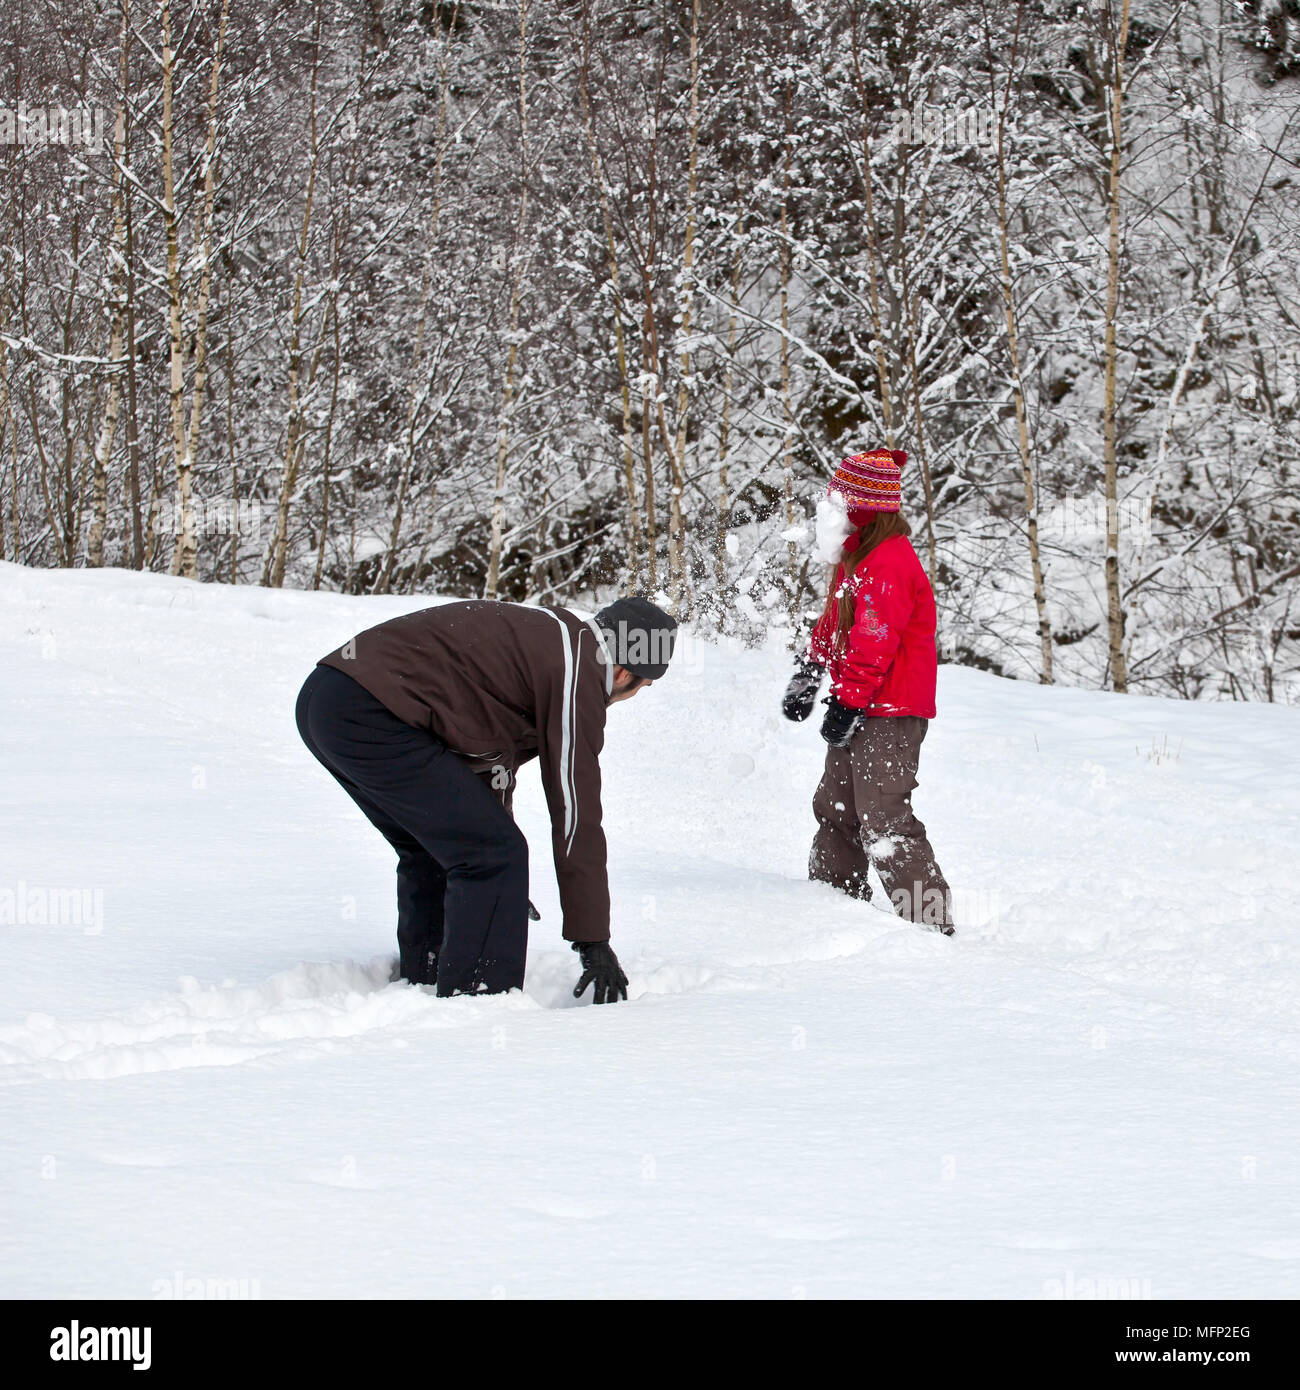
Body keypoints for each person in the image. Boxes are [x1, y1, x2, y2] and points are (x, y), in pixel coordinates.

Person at [295, 595, 677, 1001]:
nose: (634, 695)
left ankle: (423, 979)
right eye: (644, 685)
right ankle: (478, 1004)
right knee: (491, 855)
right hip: (372, 711)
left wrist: (498, 889)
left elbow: (486, 761)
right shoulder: (578, 668)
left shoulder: (552, 639)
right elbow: (575, 806)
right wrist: (591, 938)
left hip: (329, 699)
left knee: (440, 850)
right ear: (622, 671)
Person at [782, 449, 954, 934]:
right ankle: (831, 905)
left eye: (840, 499)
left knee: (883, 816)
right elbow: (836, 623)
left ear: (864, 506)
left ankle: (929, 923)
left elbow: (874, 641)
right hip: (860, 701)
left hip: (890, 710)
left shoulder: (890, 561)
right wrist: (810, 672)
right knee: (836, 806)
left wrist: (849, 699)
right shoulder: (855, 555)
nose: (831, 508)